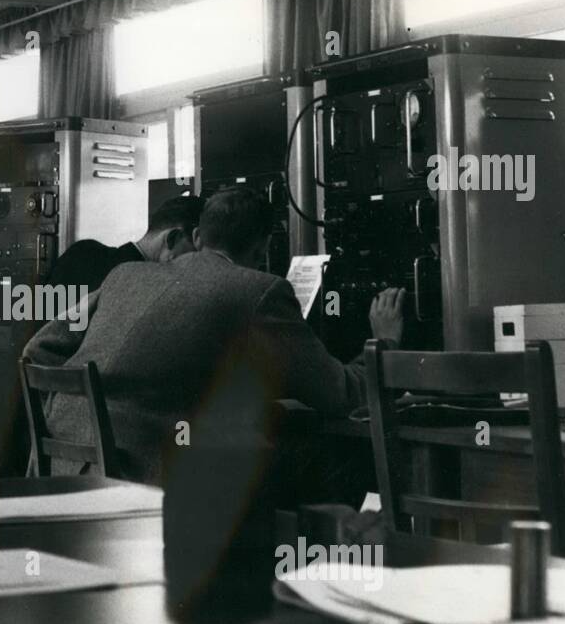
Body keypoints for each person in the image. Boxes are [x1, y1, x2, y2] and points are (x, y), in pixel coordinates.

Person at [23, 186, 406, 490]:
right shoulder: (258, 290)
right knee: (347, 457)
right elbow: (340, 395)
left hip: (62, 468)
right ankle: (300, 582)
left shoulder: (124, 275)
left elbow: (38, 348)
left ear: (197, 234)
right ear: (263, 249)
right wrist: (383, 344)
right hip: (144, 480)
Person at [46, 193, 203, 298]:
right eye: (194, 255)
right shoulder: (143, 291)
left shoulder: (82, 253)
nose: (191, 268)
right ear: (172, 238)